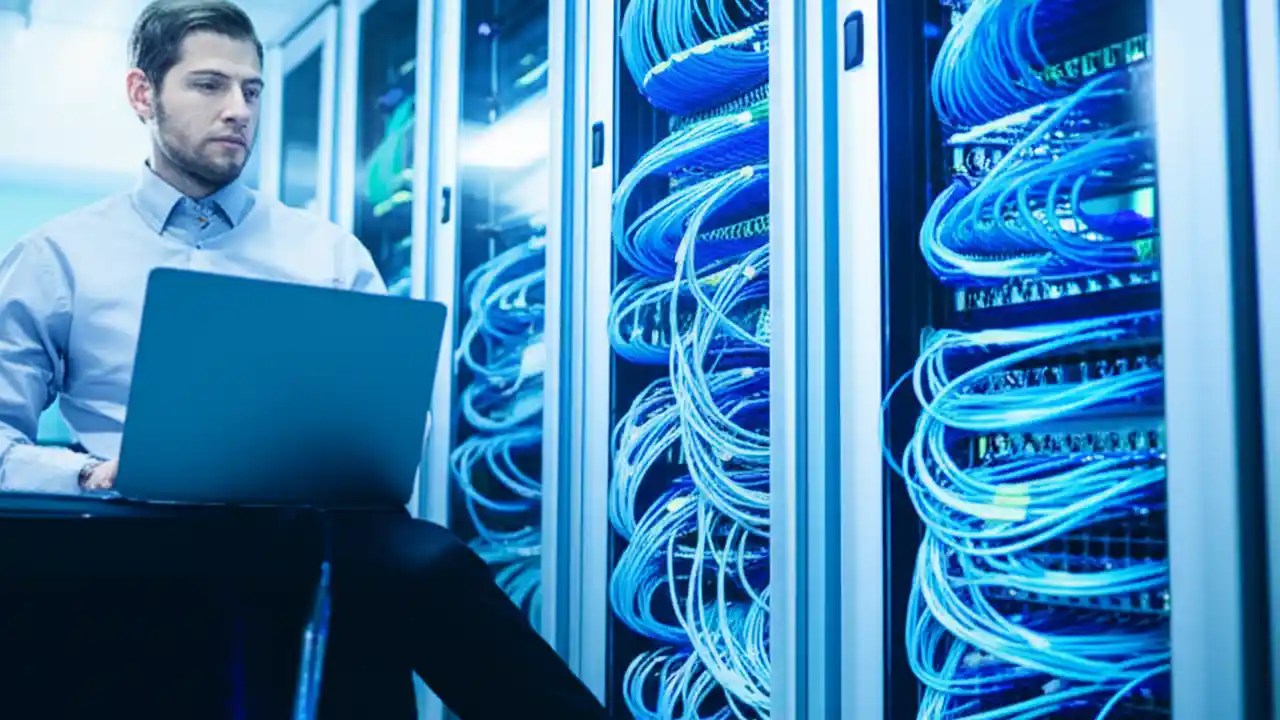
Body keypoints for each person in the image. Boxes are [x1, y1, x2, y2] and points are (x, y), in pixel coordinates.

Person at [0, 1, 609, 718]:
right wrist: (87, 473)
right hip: (141, 528)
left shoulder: (326, 253)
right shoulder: (58, 256)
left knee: (432, 561)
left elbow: (392, 426)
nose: (238, 110)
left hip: (310, 527)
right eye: (209, 85)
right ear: (143, 94)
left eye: (251, 90)